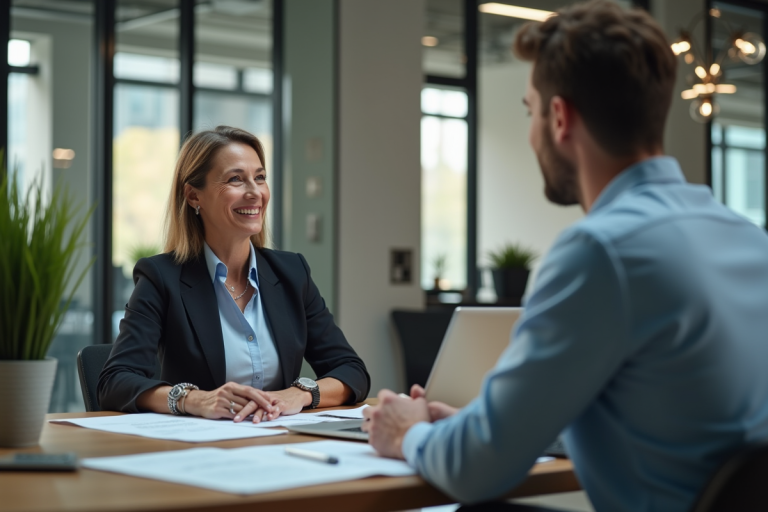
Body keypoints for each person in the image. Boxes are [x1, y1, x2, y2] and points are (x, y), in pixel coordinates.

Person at [362, 1, 768, 510]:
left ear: (559, 118)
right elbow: (666, 421)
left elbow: (475, 470)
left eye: (530, 110)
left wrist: (407, 433)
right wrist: (474, 426)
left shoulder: (601, 251)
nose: (533, 131)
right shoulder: (747, 236)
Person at [99, 126, 370, 422]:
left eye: (260, 177)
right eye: (236, 179)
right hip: (197, 451)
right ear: (193, 196)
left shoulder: (292, 272)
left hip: (279, 444)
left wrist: (300, 394)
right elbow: (116, 380)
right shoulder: (161, 277)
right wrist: (195, 399)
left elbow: (351, 371)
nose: (255, 192)